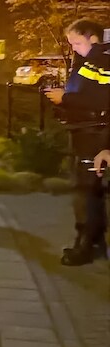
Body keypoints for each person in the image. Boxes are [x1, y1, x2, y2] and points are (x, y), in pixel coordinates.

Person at [44, 19, 110, 266]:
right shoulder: (89, 61)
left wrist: (67, 99)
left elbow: (101, 100)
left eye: (77, 42)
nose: (74, 47)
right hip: (86, 133)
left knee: (85, 193)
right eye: (71, 43)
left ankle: (84, 247)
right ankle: (94, 243)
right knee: (89, 191)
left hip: (94, 135)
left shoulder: (103, 60)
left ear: (93, 38)